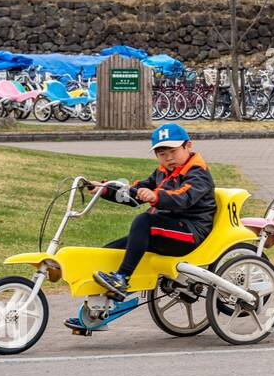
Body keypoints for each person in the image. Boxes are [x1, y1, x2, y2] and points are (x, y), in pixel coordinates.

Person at [91, 124, 217, 299]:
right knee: (113, 250)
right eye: (162, 154)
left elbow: (183, 197)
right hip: (166, 230)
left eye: (173, 151)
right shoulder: (162, 172)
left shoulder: (198, 173)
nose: (168, 158)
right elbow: (135, 192)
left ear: (188, 146)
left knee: (144, 221)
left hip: (190, 232)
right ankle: (96, 308)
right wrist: (104, 190)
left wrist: (155, 196)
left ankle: (122, 278)